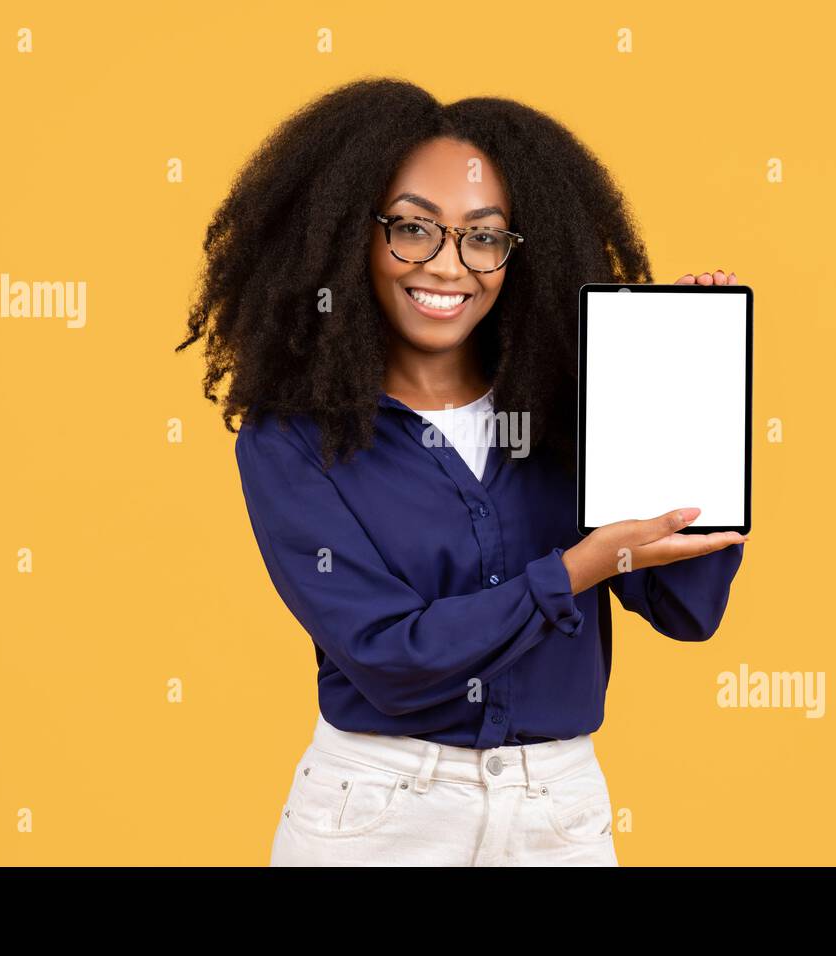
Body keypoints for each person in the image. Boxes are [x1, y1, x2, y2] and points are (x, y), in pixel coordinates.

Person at [176, 77, 748, 866]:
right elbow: (390, 657)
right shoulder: (292, 442)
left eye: (483, 237)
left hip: (558, 818)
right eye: (413, 229)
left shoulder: (571, 410)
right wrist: (574, 571)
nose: (448, 266)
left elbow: (688, 608)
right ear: (351, 235)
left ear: (520, 252)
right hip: (375, 819)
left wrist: (685, 404)